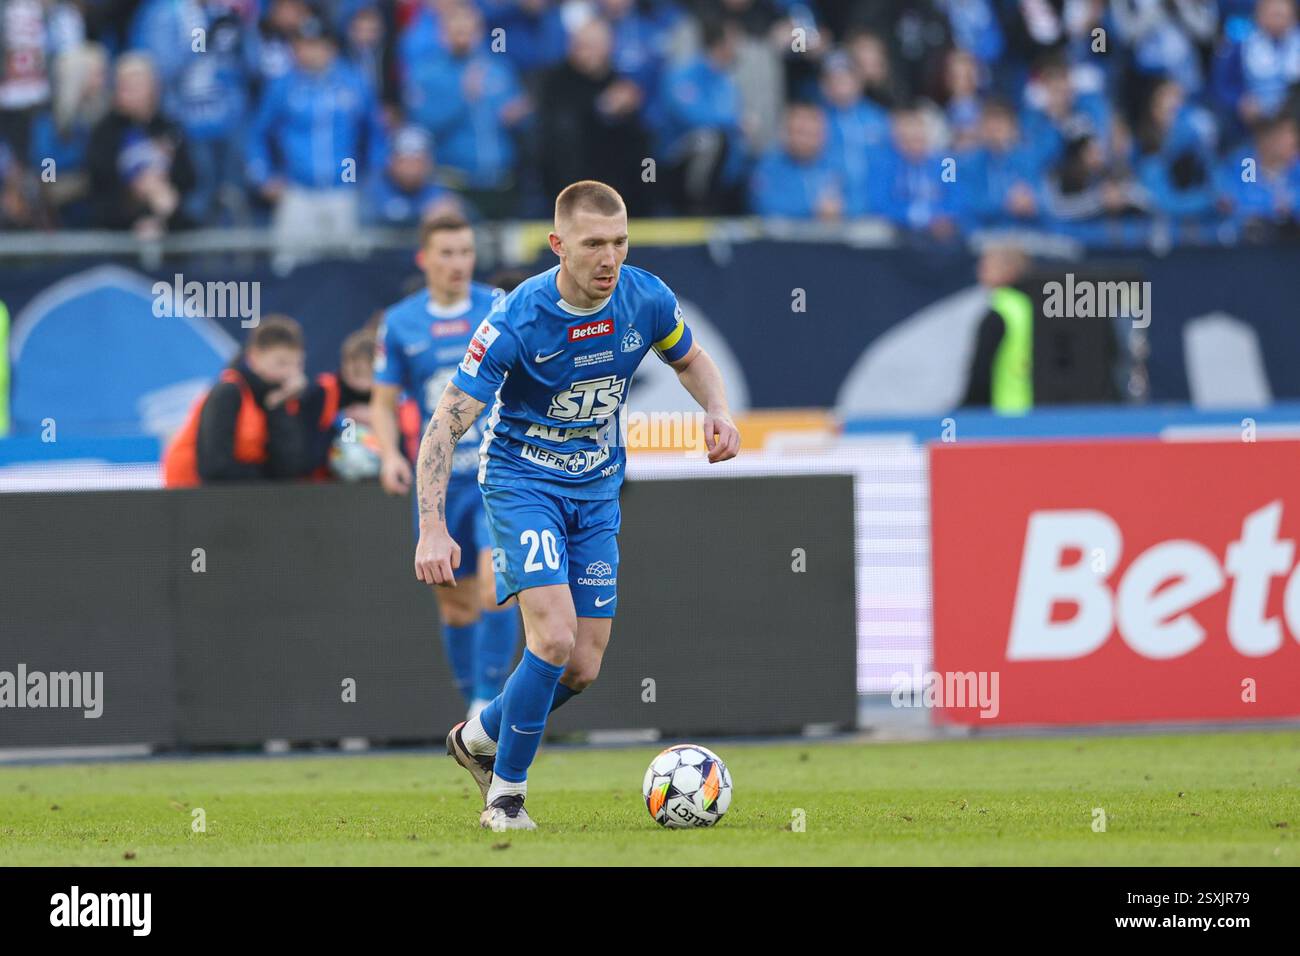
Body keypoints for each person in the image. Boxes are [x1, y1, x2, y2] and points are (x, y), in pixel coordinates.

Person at [416, 180, 740, 831]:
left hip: (595, 492)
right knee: (555, 636)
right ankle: (505, 798)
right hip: (522, 485)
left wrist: (718, 409)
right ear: (558, 245)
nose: (609, 258)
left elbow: (690, 358)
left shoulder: (644, 297)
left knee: (584, 664)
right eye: (594, 243)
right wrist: (431, 527)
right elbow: (444, 424)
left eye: (620, 241)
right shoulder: (516, 319)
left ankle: (479, 737)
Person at [370, 213, 520, 718]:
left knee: (498, 588)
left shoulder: (499, 306)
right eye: (447, 253)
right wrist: (389, 454)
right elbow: (383, 402)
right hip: (438, 484)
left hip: (496, 474)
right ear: (425, 259)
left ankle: (488, 704)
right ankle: (473, 707)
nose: (458, 263)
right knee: (454, 602)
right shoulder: (399, 322)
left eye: (466, 252)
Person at [163, 315, 315, 486]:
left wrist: (278, 405)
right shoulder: (228, 393)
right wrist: (268, 478)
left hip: (243, 495)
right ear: (254, 357)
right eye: (281, 363)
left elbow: (289, 469)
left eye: (298, 365)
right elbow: (215, 468)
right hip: (189, 496)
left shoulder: (284, 397)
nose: (291, 373)